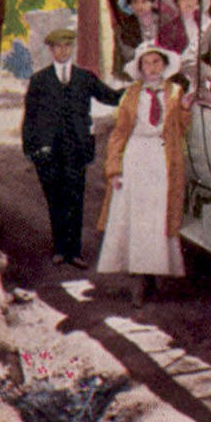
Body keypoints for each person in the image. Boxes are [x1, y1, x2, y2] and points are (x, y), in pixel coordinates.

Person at [95, 43, 191, 307]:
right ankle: (137, 279)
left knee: (157, 216)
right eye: (147, 63)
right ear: (140, 68)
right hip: (136, 155)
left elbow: (180, 128)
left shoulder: (175, 92)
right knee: (136, 217)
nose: (152, 68)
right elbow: (120, 132)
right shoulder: (131, 94)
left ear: (164, 66)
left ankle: (154, 274)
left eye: (156, 62)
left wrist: (184, 109)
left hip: (161, 156)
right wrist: (114, 168)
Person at [22, 27, 123, 268]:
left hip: (76, 149)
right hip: (49, 151)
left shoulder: (84, 78)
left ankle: (75, 252)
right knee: (55, 199)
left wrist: (139, 88)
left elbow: (110, 96)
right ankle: (60, 249)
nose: (63, 51)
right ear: (51, 50)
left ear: (72, 48)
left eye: (67, 46)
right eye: (58, 47)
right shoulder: (40, 80)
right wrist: (32, 149)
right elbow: (30, 117)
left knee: (75, 199)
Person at [158, 0, 209, 74]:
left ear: (198, 0)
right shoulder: (169, 28)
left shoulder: (206, 21)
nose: (188, 2)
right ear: (177, 3)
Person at [115, 0, 162, 71]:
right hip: (139, 65)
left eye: (144, 1)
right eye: (135, 2)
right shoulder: (127, 26)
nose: (139, 6)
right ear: (130, 6)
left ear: (151, 3)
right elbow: (127, 52)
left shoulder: (163, 20)